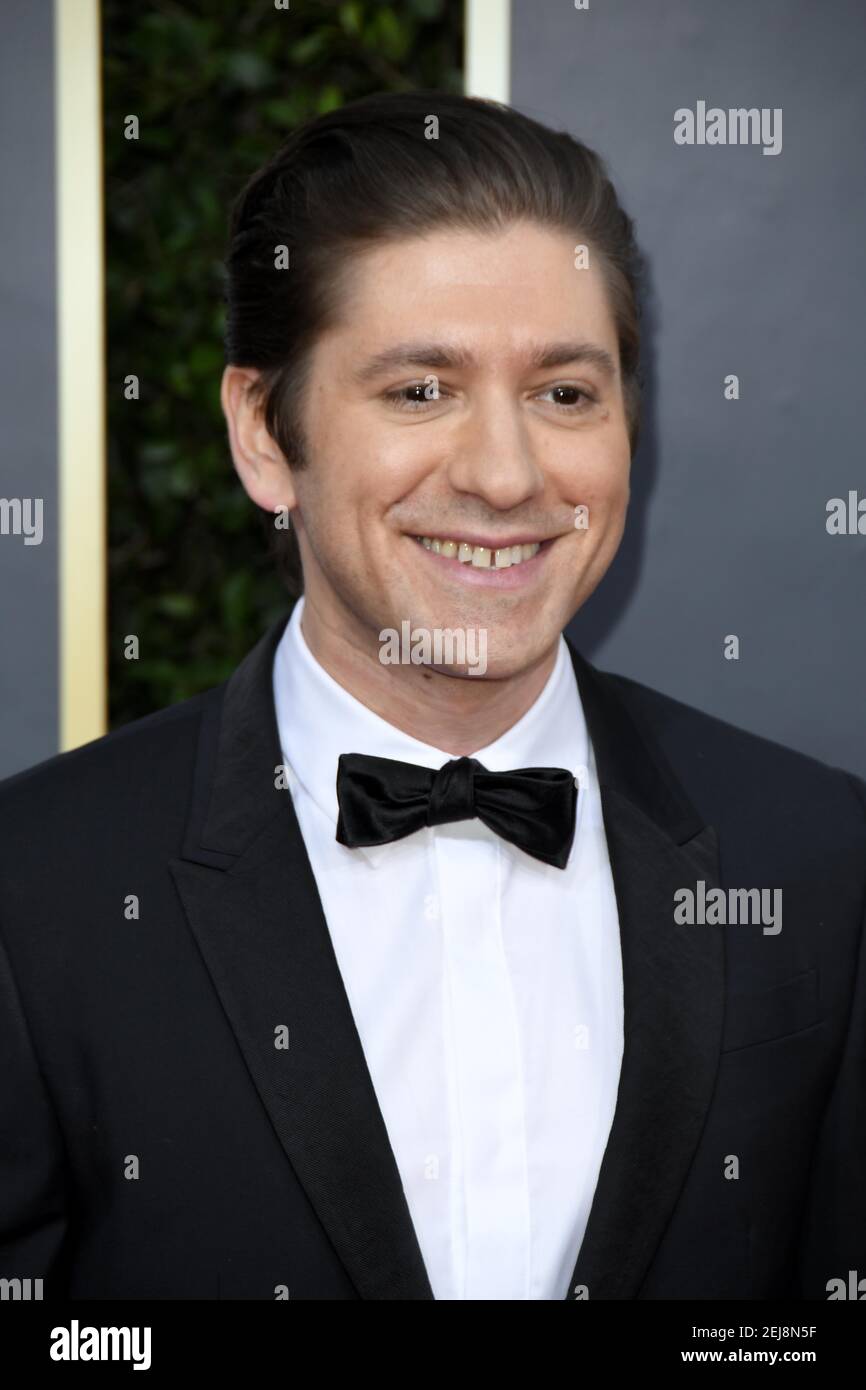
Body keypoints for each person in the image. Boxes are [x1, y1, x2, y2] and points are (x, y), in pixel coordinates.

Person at [0, 91, 864, 1301]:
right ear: (263, 433)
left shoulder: (820, 859)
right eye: (419, 391)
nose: (505, 474)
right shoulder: (35, 892)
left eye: (564, 393)